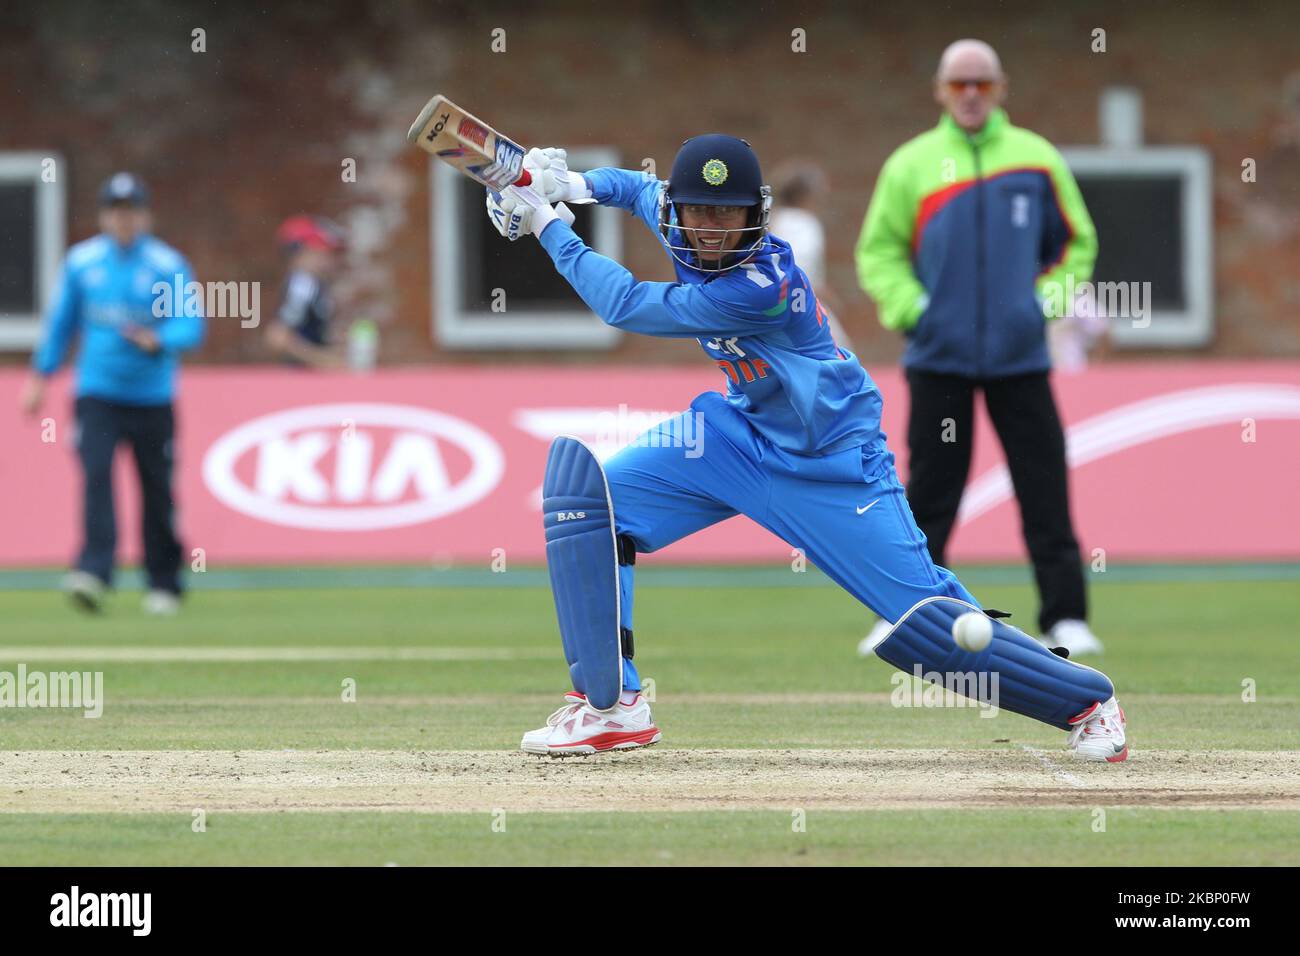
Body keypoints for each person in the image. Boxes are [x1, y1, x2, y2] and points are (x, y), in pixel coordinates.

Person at [483, 136, 1127, 761]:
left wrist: (545, 221)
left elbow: (623, 304)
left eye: (727, 214)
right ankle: (611, 704)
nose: (709, 229)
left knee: (930, 624)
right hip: (735, 434)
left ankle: (1088, 703)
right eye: (697, 212)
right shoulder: (680, 214)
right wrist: (569, 184)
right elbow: (637, 187)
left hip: (832, 464)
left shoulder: (758, 283)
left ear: (754, 215)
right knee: (595, 505)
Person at [855, 39, 1103, 657]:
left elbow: (1077, 244)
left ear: (1001, 89)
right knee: (930, 493)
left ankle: (1066, 618)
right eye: (959, 84)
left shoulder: (1036, 158)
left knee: (1043, 484)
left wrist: (1040, 304)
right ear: (941, 90)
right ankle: (908, 613)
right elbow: (878, 253)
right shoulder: (910, 164)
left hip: (1021, 360)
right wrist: (913, 309)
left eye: (982, 84)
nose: (970, 95)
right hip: (939, 360)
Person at [20, 172, 205, 614]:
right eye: (116, 212)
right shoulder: (82, 263)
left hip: (152, 396)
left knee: (157, 488)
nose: (124, 221)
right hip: (97, 392)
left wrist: (160, 341)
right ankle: (93, 572)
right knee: (97, 478)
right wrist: (40, 376)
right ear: (105, 217)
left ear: (145, 216)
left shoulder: (166, 264)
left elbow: (191, 324)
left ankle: (164, 582)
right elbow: (61, 323)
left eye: (132, 212)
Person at [767, 161, 853, 349]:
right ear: (804, 194)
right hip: (800, 300)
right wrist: (822, 292)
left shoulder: (775, 219)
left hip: (771, 301)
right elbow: (800, 265)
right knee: (838, 352)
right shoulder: (803, 223)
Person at [265, 215, 347, 368]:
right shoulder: (302, 284)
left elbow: (310, 331)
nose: (331, 258)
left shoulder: (315, 285)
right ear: (303, 252)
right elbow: (278, 337)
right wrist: (324, 360)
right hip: (300, 381)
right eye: (324, 250)